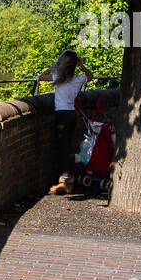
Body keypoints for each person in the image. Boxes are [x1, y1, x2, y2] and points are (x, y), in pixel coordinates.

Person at [38, 50, 93, 194]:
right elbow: (90, 76)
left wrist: (54, 65)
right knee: (68, 145)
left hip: (61, 114)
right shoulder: (78, 78)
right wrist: (81, 65)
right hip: (72, 114)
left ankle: (66, 180)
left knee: (64, 147)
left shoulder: (58, 76)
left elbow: (41, 77)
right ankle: (67, 178)